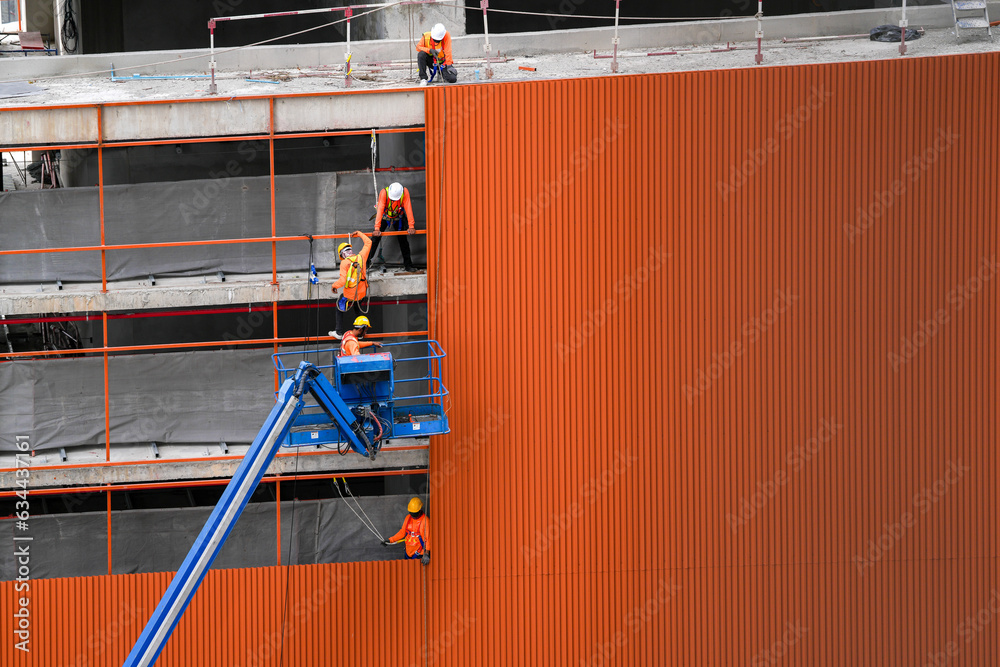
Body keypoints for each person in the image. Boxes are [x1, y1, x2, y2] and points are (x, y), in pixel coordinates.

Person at [329, 230, 371, 339]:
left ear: (342, 254)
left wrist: (334, 286)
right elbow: (368, 242)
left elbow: (342, 281)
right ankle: (361, 333)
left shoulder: (345, 263)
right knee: (358, 308)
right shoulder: (361, 257)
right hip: (362, 293)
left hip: (350, 295)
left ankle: (338, 332)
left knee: (339, 307)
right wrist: (359, 233)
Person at [368, 182, 417, 273]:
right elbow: (380, 209)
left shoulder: (404, 192)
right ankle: (366, 263)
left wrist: (411, 226)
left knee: (403, 241)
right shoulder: (384, 193)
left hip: (399, 217)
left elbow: (408, 207)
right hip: (384, 216)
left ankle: (408, 265)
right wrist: (377, 228)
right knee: (375, 239)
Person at [383, 496, 430, 565]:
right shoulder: (408, 518)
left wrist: (427, 554)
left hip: (419, 554)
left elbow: (428, 539)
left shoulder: (425, 521)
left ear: (420, 510)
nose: (413, 514)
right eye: (411, 512)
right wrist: (390, 540)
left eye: (414, 512)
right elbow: (402, 532)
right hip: (408, 553)